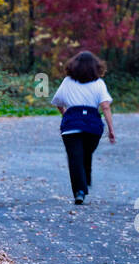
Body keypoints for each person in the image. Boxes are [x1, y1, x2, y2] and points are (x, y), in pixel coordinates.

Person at [50, 50, 116, 205]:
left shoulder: (67, 82)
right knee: (85, 153)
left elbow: (58, 102)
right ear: (95, 66)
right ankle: (84, 180)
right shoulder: (99, 83)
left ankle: (79, 191)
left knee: (75, 157)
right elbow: (105, 106)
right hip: (93, 126)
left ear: (74, 65)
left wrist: (66, 114)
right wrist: (111, 130)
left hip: (71, 125)